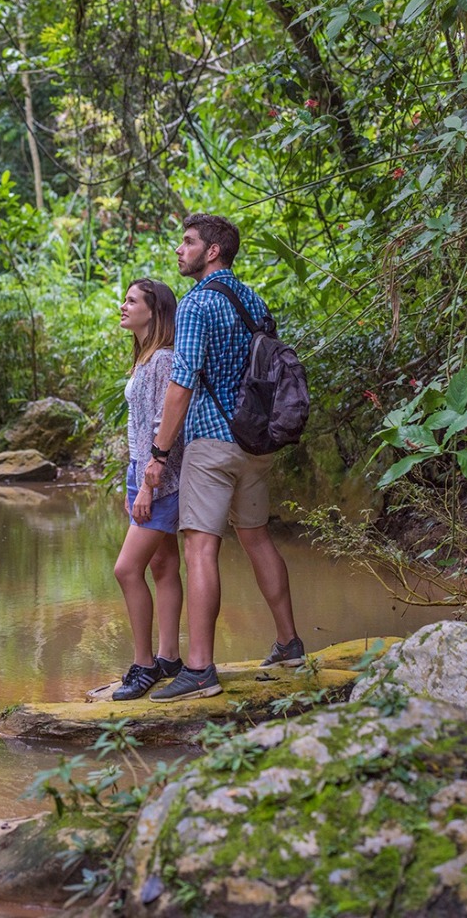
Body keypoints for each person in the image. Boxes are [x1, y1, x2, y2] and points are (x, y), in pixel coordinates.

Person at [142, 214, 303, 702]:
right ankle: (289, 645)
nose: (180, 249)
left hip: (212, 444)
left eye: (188, 242)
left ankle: (199, 670)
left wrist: (158, 454)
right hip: (255, 442)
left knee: (199, 550)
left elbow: (181, 383)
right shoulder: (253, 300)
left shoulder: (197, 303)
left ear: (212, 251)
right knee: (257, 539)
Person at [109, 278, 186, 700]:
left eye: (131, 300)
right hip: (142, 472)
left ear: (154, 311)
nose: (123, 306)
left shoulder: (163, 360)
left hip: (160, 479)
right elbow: (137, 425)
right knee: (163, 565)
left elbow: (163, 426)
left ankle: (144, 666)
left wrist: (148, 485)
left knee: (126, 569)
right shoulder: (145, 358)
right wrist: (133, 477)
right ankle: (169, 657)